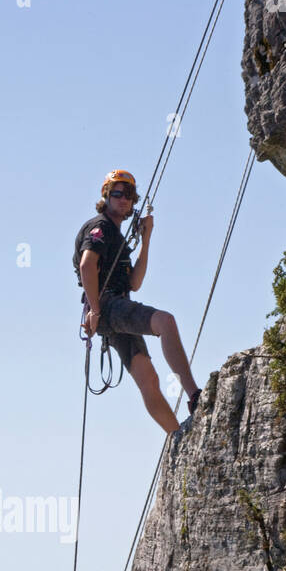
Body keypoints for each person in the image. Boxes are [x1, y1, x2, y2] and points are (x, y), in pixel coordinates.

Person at [73, 169, 201, 434]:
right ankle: (194, 396)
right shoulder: (101, 228)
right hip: (108, 307)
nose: (123, 199)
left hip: (111, 310)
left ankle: (176, 436)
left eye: (128, 195)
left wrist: (146, 238)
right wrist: (96, 311)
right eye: (117, 194)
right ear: (106, 197)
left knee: (149, 380)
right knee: (165, 322)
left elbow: (134, 283)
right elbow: (87, 265)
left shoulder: (117, 236)